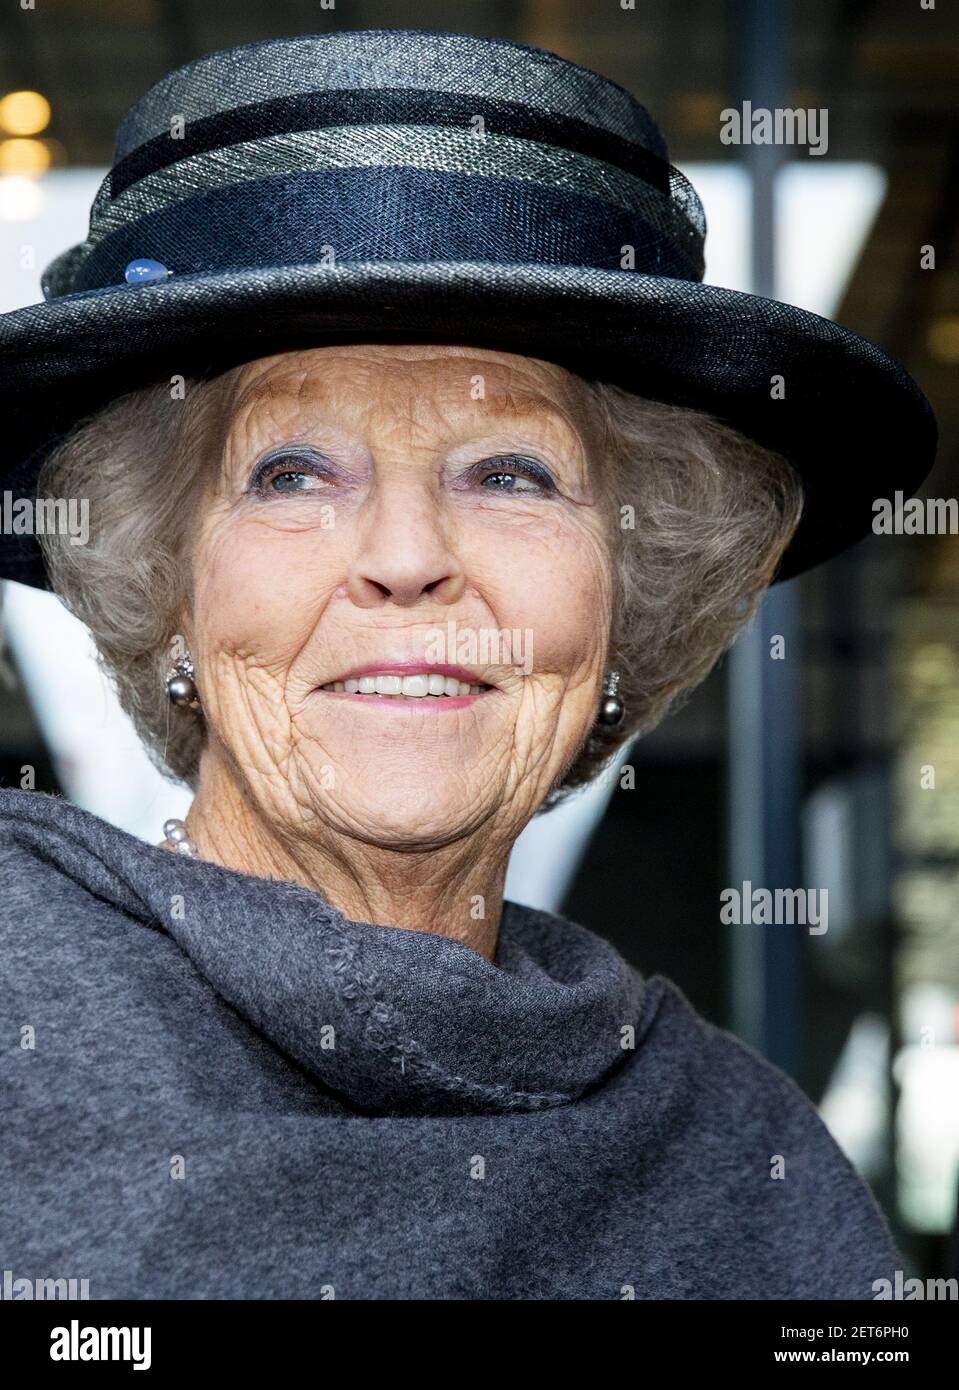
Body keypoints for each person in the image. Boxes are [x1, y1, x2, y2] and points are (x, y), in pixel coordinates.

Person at [0, 28, 936, 1300]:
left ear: (627, 598)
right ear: (168, 588)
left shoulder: (742, 1152)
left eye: (509, 474)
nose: (403, 557)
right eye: (292, 472)